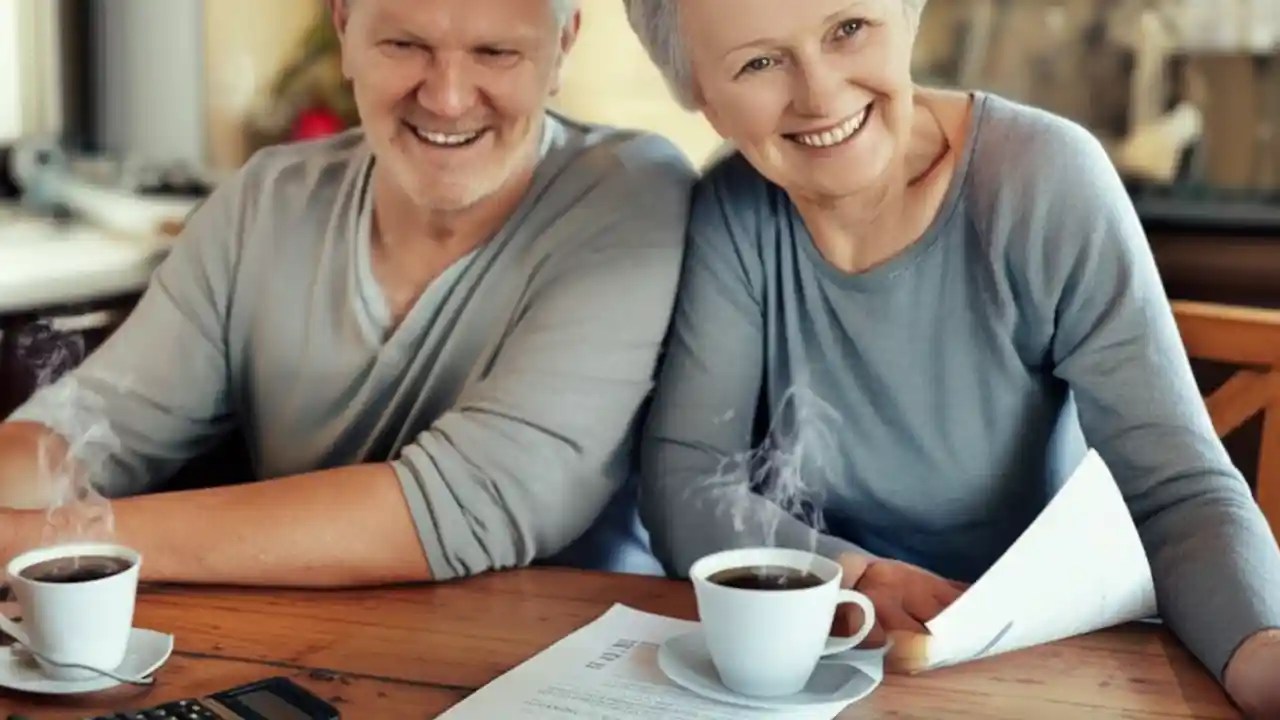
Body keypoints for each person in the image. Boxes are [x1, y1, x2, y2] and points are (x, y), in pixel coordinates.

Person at [623, 0, 1280, 714]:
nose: (819, 95)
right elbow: (684, 476)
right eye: (758, 62)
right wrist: (850, 574)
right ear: (702, 99)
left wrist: (1262, 652)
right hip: (839, 668)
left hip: (1042, 669)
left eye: (848, 30)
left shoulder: (1043, 181)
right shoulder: (733, 214)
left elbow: (1178, 494)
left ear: (907, 15)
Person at [0, 0, 693, 586]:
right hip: (309, 665)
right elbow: (89, 429)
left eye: (495, 53)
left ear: (562, 46)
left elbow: (470, 507)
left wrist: (51, 540)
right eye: (404, 43)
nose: (448, 96)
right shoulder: (265, 204)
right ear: (344, 27)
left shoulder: (628, 195)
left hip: (563, 676)